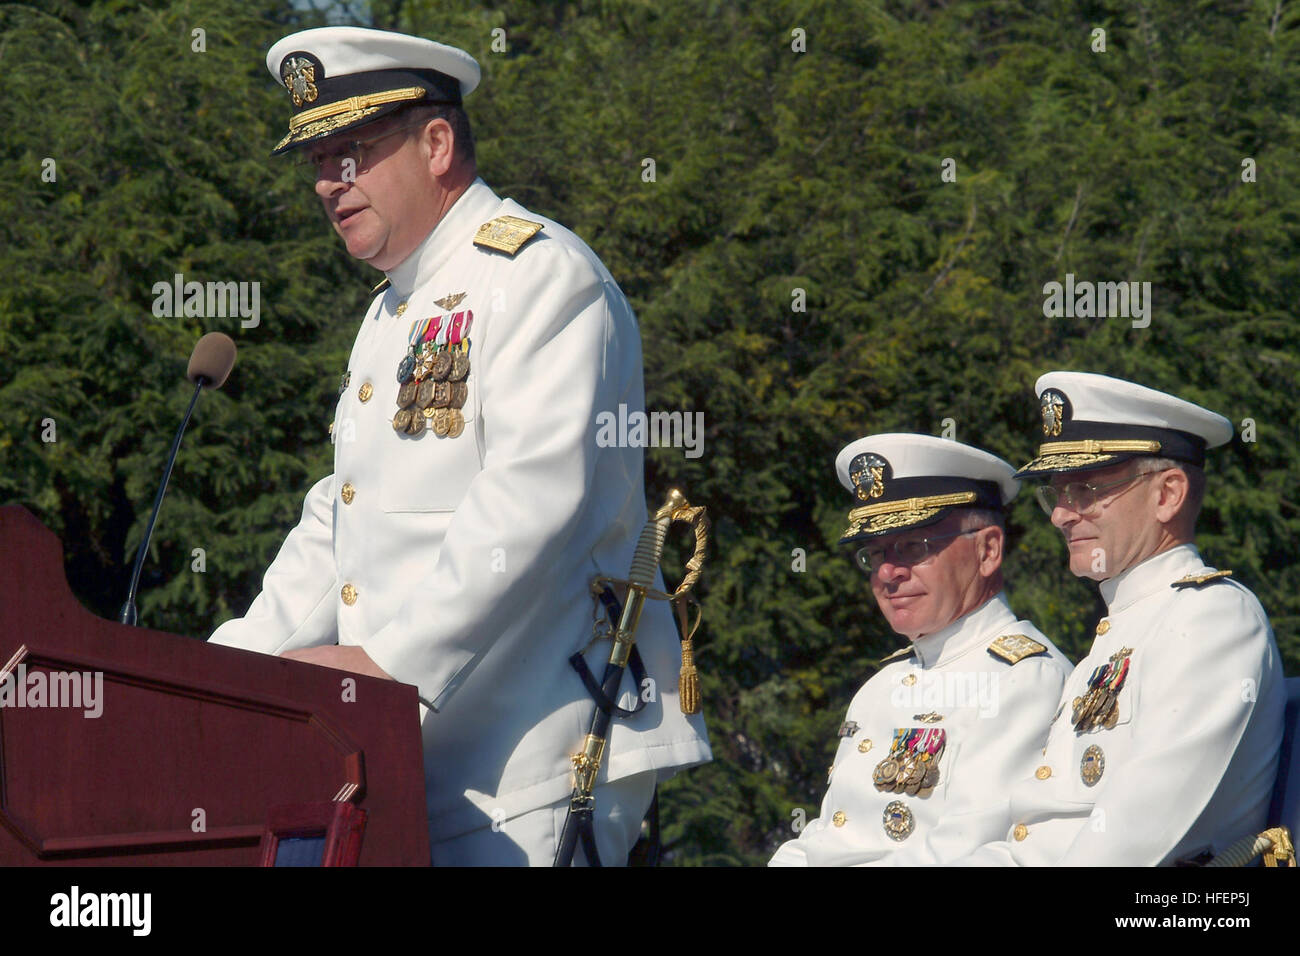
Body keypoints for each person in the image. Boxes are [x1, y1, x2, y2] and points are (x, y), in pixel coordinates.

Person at [208, 26, 710, 866]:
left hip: (532, 762)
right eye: (317, 160)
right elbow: (344, 524)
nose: (331, 183)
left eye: (354, 152)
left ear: (437, 143)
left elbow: (533, 506)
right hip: (411, 758)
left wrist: (383, 670)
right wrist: (224, 678)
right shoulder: (390, 313)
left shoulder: (542, 276)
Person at [958, 371, 1285, 865]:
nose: (1060, 515)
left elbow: (1132, 839)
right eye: (1058, 492)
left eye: (1086, 488)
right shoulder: (1123, 629)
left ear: (1167, 494)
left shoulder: (1213, 617)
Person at [769, 433, 1071, 866]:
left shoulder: (1022, 679)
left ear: (988, 550)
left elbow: (963, 853)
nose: (889, 572)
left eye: (914, 547)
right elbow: (830, 836)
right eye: (875, 553)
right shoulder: (881, 685)